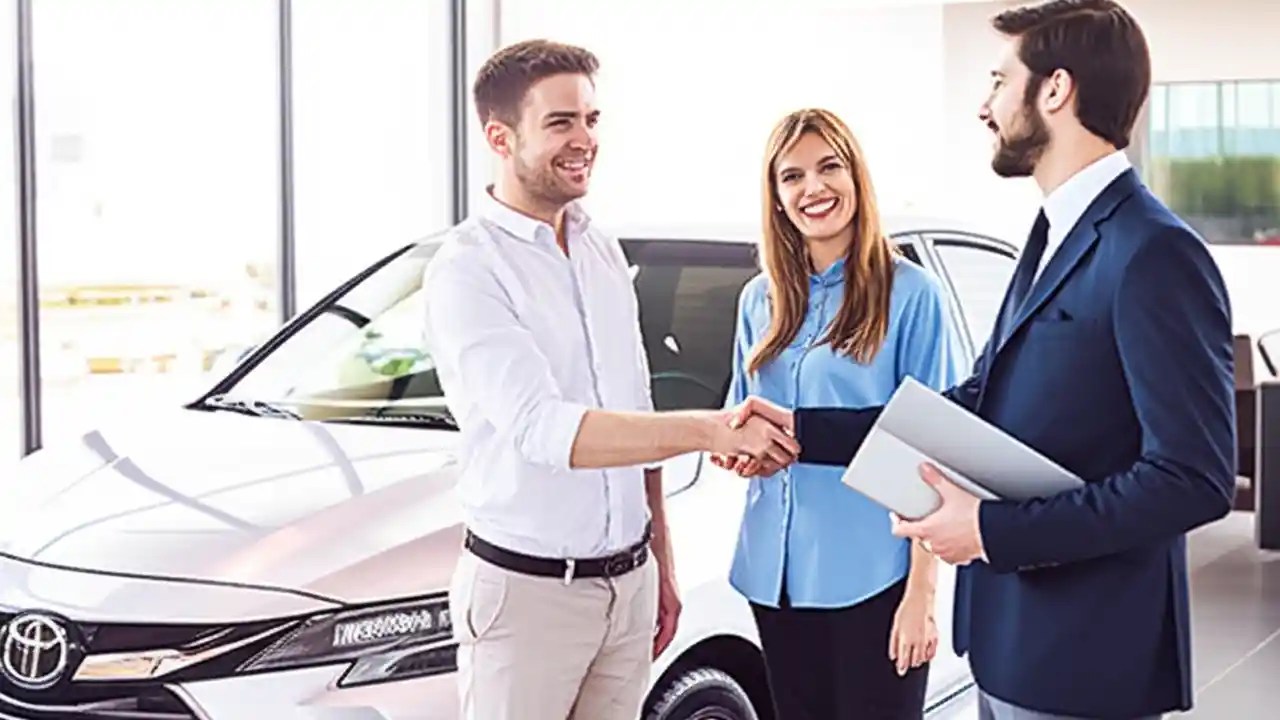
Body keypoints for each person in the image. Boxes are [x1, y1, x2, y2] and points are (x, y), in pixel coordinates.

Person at [728, 1, 1236, 719]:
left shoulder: (1153, 250)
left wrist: (993, 532)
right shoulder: (1053, 235)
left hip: (1087, 658)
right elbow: (976, 403)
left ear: (1054, 91)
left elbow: (1193, 478)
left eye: (1000, 81)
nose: (984, 106)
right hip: (1013, 644)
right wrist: (801, 431)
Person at [421, 39, 799, 720]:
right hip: (528, 598)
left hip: (627, 587)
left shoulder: (599, 248)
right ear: (499, 137)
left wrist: (661, 560)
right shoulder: (468, 270)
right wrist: (711, 427)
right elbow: (544, 428)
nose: (585, 140)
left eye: (592, 119)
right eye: (560, 122)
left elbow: (635, 406)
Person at [714, 108, 965, 720]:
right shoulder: (759, 299)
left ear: (857, 176)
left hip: (873, 577)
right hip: (773, 578)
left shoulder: (911, 295)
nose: (813, 189)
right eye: (792, 176)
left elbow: (934, 450)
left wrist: (921, 595)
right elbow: (737, 411)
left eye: (829, 167)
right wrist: (734, 448)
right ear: (776, 196)